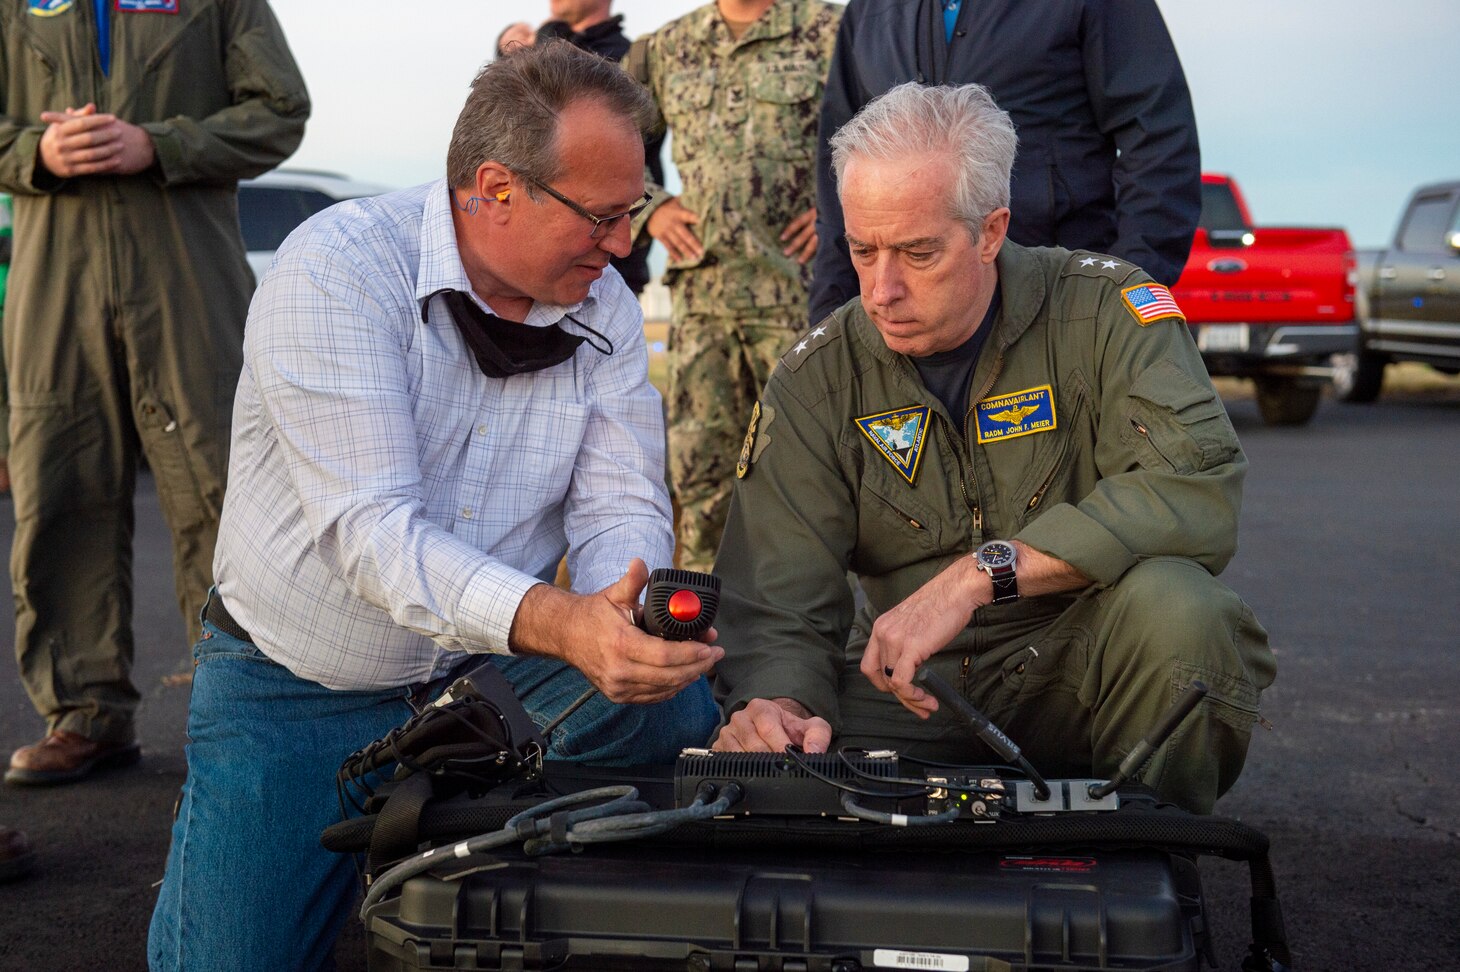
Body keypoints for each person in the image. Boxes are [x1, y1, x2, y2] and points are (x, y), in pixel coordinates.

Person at [147, 42, 722, 970]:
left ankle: (467, 879)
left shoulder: (605, 306)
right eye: (605, 217)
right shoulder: (337, 271)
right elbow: (375, 539)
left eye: (634, 215)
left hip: (486, 687)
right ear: (496, 189)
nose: (625, 245)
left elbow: (621, 503)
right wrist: (561, 623)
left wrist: (626, 606)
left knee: (674, 711)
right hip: (297, 695)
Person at [711, 82, 1274, 815]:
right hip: (907, 691)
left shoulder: (1107, 314)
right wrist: (777, 704)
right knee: (744, 743)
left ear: (990, 230)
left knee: (1187, 616)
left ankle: (1142, 855)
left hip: (1081, 671)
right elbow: (776, 600)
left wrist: (978, 576)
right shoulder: (819, 376)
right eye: (862, 250)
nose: (882, 289)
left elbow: (1193, 490)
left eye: (917, 253)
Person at [0, 0, 310, 786]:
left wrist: (159, 142)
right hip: (53, 287)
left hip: (187, 281)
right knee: (58, 488)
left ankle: (241, 708)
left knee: (222, 491)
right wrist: (37, 150)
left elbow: (281, 111)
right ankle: (84, 714)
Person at [807, 0, 1201, 325]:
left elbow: (1157, 136)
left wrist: (1125, 289)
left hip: (1058, 307)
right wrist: (830, 312)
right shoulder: (869, 12)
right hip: (910, 321)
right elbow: (840, 161)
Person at [624, 0, 842, 573]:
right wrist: (652, 208)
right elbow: (607, 137)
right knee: (702, 483)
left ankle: (810, 637)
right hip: (704, 303)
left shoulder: (831, 29)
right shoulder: (667, 47)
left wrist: (836, 208)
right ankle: (700, 646)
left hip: (800, 298)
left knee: (813, 475)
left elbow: (885, 129)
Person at [537, 0, 663, 297]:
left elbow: (643, 157)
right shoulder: (538, 52)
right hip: (535, 258)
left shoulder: (634, 59)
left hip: (608, 266)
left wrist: (657, 209)